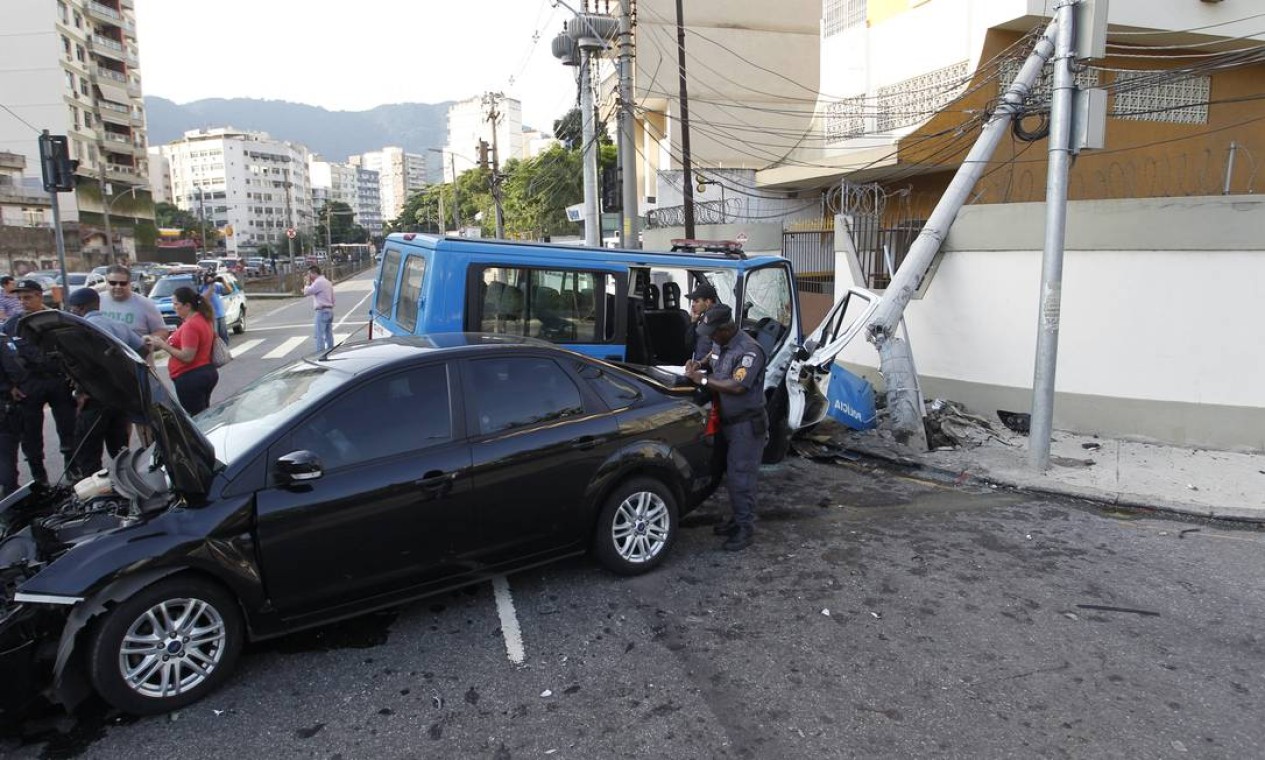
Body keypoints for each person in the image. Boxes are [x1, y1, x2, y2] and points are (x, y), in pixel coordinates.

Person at [684, 304, 768, 552]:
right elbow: (713, 360)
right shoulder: (720, 343)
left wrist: (704, 380)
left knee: (741, 478)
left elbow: (738, 386)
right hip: (726, 422)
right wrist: (697, 364)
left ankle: (745, 528)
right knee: (726, 475)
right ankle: (736, 520)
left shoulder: (750, 350)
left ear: (726, 328)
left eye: (713, 332)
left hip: (746, 424)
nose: (710, 337)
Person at [0, 279, 77, 487]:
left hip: (58, 381)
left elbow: (75, 352)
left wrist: (77, 381)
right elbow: (4, 356)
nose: (23, 302)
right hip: (29, 384)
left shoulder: (56, 319)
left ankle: (72, 472)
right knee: (30, 433)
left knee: (67, 427)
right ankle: (39, 478)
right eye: (20, 298)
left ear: (39, 296)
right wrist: (11, 386)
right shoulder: (12, 324)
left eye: (28, 297)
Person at [65, 288, 145, 478]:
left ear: (80, 308)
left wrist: (81, 392)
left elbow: (80, 365)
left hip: (95, 398)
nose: (72, 312)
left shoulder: (81, 329)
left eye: (73, 308)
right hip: (121, 397)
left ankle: (96, 495)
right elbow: (142, 350)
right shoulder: (117, 325)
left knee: (88, 452)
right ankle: (130, 487)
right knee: (120, 451)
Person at [143, 287, 218, 415]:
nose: (174, 307)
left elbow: (187, 356)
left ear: (187, 305)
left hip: (191, 376)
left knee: (197, 418)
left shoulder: (191, 325)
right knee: (204, 414)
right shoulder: (202, 319)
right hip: (204, 372)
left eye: (176, 304)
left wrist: (163, 345)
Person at [98, 265, 168, 342]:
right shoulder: (96, 301)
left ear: (129, 283)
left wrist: (147, 342)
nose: (118, 286)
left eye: (123, 283)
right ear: (106, 282)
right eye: (113, 283)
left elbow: (162, 332)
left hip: (134, 352)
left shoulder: (145, 304)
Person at [684, 283, 719, 362]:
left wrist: (700, 363)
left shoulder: (717, 320)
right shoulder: (702, 319)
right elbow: (689, 346)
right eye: (693, 301)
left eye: (696, 301)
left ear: (707, 302)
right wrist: (693, 322)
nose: (693, 305)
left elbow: (717, 351)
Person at [303, 265, 335, 353]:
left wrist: (307, 282)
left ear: (314, 273)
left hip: (322, 311)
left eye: (309, 274)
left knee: (319, 334)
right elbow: (333, 299)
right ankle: (330, 352)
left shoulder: (318, 282)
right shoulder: (328, 282)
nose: (309, 276)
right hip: (329, 310)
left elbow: (306, 292)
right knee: (329, 334)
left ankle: (320, 354)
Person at [200, 272, 229, 344]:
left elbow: (229, 291)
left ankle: (224, 351)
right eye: (209, 277)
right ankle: (216, 352)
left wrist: (223, 281)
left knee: (224, 336)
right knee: (215, 337)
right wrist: (211, 284)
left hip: (221, 314)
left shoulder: (216, 286)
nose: (212, 278)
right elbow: (205, 298)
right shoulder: (202, 288)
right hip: (212, 316)